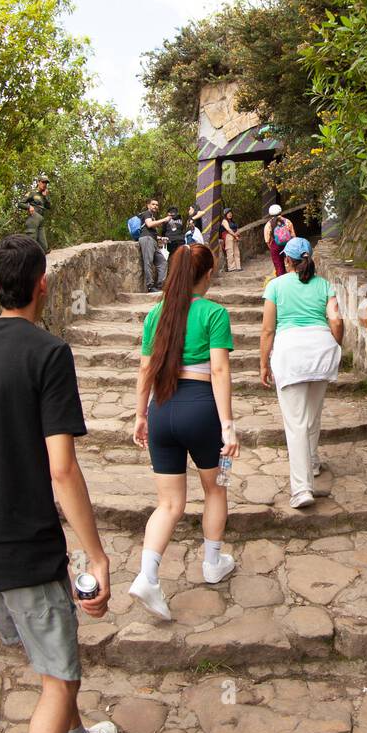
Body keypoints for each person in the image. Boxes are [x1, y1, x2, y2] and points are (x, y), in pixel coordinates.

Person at [0, 235, 116, 733]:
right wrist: (97, 555)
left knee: (51, 660)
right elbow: (61, 469)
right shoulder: (49, 354)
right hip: (26, 550)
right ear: (44, 284)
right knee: (60, 682)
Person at [129, 243, 239, 621]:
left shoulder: (156, 314)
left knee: (169, 504)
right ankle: (212, 564)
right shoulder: (214, 313)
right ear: (207, 275)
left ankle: (147, 575)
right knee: (214, 488)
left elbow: (145, 370)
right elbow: (220, 372)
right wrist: (228, 425)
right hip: (200, 409)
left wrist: (139, 415)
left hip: (161, 409)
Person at [259, 237, 343, 508]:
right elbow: (336, 319)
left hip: (291, 354)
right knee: (312, 415)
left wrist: (263, 363)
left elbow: (268, 330)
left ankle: (302, 489)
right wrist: (335, 345)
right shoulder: (325, 285)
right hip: (320, 351)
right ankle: (313, 462)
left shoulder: (275, 286)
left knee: (295, 423)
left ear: (287, 260)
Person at [136, 198, 168, 293]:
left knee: (163, 262)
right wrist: (164, 219)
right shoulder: (147, 213)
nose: (155, 206)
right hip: (146, 239)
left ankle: (160, 285)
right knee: (148, 262)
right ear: (148, 205)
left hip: (153, 240)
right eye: (153, 204)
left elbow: (150, 229)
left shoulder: (152, 216)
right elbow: (149, 225)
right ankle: (150, 286)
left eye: (157, 205)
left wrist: (160, 238)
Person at [20, 174, 53, 254]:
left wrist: (45, 197)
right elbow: (20, 204)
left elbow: (49, 207)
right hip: (33, 218)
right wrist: (29, 207)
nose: (45, 184)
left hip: (41, 220)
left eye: (46, 183)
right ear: (38, 182)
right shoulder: (32, 193)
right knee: (30, 244)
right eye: (43, 182)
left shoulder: (44, 195)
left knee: (44, 248)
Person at [263, 204, 296, 277]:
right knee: (291, 264)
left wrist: (272, 248)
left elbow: (267, 240)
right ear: (281, 212)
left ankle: (281, 280)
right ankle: (292, 278)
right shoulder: (287, 221)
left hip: (275, 247)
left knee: (278, 266)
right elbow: (293, 235)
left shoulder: (268, 224)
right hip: (288, 245)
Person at [219, 208, 241, 273]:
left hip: (234, 236)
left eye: (231, 213)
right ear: (225, 214)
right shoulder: (224, 221)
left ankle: (238, 266)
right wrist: (235, 235)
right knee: (230, 252)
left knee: (236, 252)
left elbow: (237, 228)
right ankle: (231, 268)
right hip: (228, 236)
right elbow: (228, 229)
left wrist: (237, 234)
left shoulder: (233, 222)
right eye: (228, 213)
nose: (230, 214)